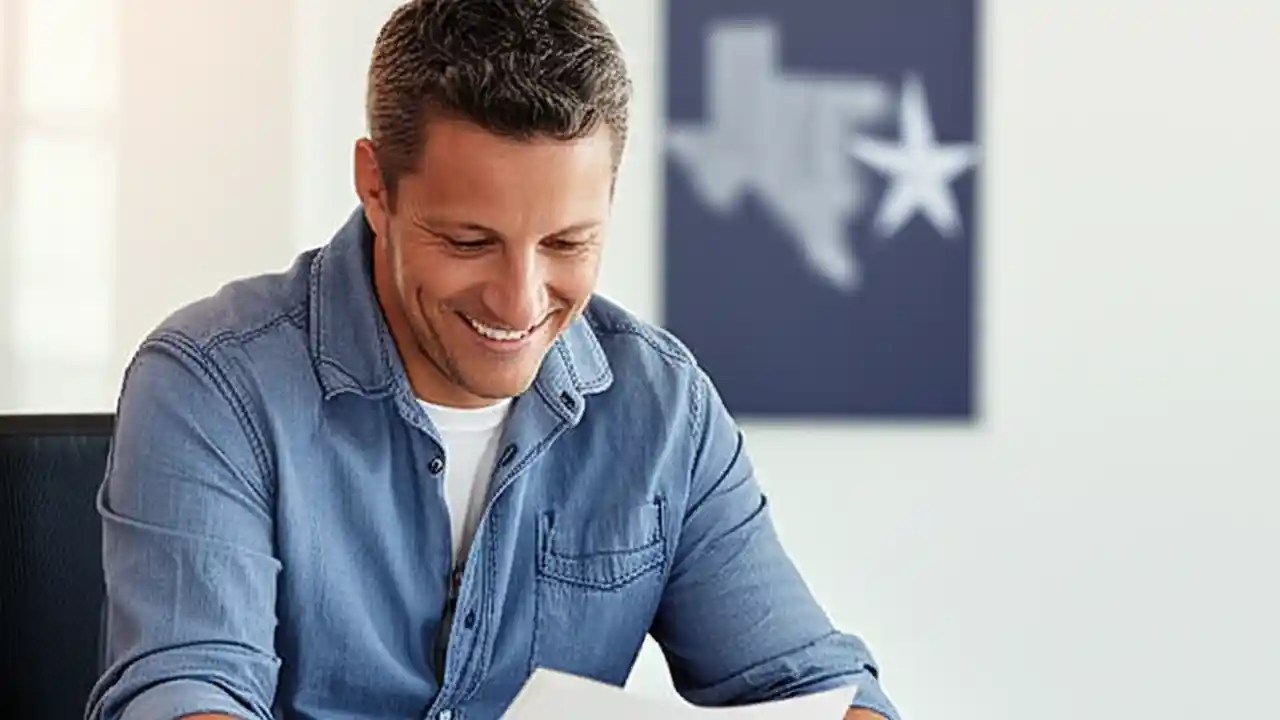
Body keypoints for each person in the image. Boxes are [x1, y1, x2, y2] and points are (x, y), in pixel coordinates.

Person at [85, 1, 899, 718]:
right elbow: (186, 691)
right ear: (376, 186)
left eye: (567, 242)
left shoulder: (663, 411)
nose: (519, 301)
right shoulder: (212, 384)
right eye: (469, 242)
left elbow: (816, 688)